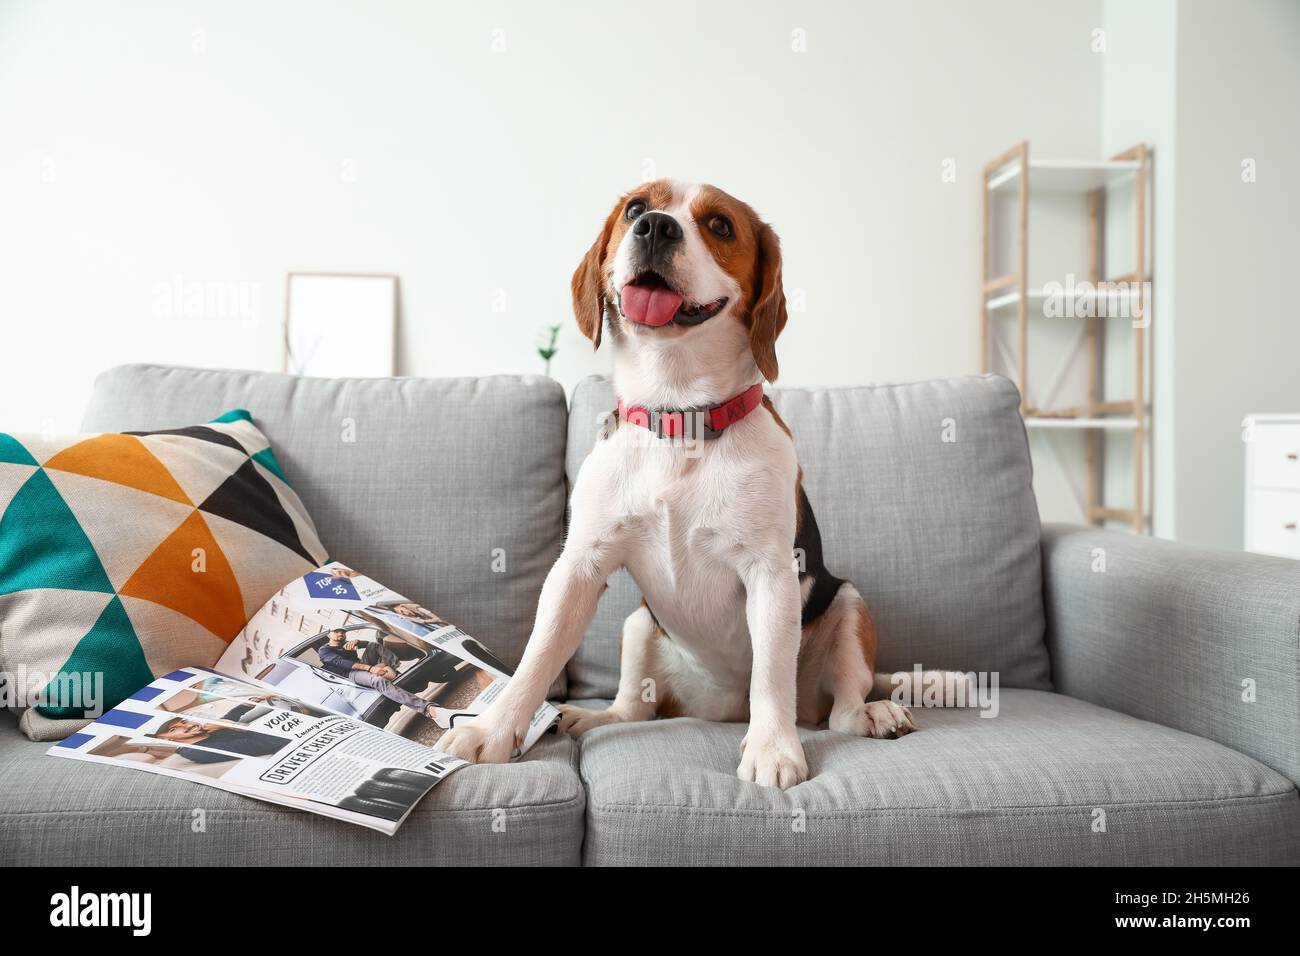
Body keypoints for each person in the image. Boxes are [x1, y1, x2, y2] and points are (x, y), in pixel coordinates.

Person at [318, 629, 436, 719]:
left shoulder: (346, 643)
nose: (341, 634)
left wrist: (358, 641)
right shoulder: (324, 650)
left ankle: (398, 666)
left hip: (361, 664)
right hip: (350, 674)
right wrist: (370, 669)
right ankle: (425, 708)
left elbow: (368, 644)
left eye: (343, 632)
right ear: (329, 635)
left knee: (373, 645)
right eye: (336, 632)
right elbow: (341, 662)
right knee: (377, 680)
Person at [150, 718, 288, 763]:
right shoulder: (200, 752)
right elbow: (267, 742)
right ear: (166, 739)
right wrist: (236, 726)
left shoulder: (205, 734)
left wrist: (253, 701)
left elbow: (230, 716)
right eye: (173, 730)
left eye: (183, 721)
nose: (187, 726)